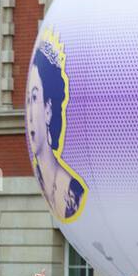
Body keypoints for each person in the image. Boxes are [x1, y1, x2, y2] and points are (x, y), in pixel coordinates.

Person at [26, 35, 86, 223]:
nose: (29, 114)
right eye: (27, 99)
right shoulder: (43, 182)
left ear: (48, 109)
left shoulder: (73, 192)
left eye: (35, 98)